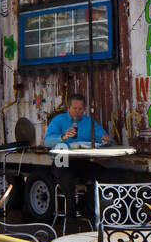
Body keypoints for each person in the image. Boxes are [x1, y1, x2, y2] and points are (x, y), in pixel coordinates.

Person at [43, 93, 112, 222]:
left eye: (80, 109)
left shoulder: (88, 121)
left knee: (105, 175)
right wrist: (63, 137)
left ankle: (84, 203)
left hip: (80, 160)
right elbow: (47, 142)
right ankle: (71, 215)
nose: (78, 112)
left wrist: (106, 140)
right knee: (68, 179)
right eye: (75, 108)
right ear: (68, 108)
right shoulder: (58, 120)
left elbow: (104, 137)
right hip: (61, 159)